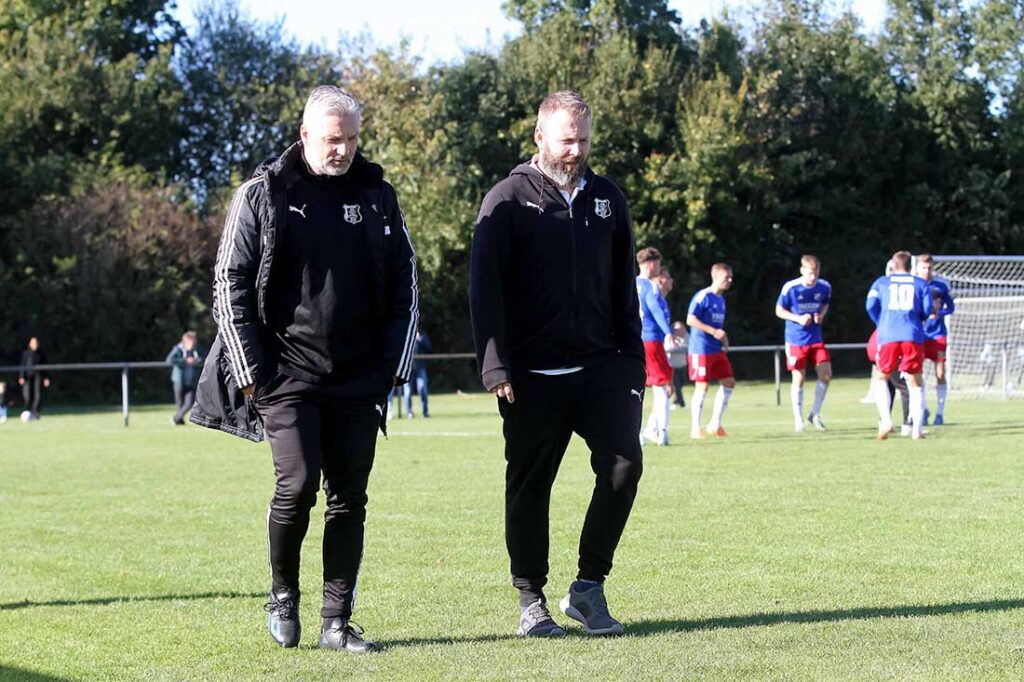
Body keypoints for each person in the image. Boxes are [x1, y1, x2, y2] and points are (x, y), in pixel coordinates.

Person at [190, 85, 419, 653]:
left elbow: (407, 282)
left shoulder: (376, 195)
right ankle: (283, 595)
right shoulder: (263, 194)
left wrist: (394, 366)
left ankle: (336, 623)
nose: (341, 150)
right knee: (296, 485)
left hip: (358, 376)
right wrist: (250, 369)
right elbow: (229, 281)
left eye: (350, 139)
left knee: (349, 497)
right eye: (331, 139)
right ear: (305, 136)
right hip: (284, 374)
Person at [470, 90, 645, 638]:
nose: (576, 150)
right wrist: (495, 365)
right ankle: (531, 600)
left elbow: (624, 286)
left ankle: (589, 588)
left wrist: (633, 360)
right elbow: (485, 290)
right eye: (567, 139)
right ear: (540, 136)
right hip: (530, 378)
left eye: (584, 140)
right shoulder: (506, 200)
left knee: (623, 468)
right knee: (530, 488)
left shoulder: (608, 199)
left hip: (603, 369)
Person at [865, 250, 933, 440]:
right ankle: (917, 430)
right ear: (911, 267)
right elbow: (927, 309)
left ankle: (886, 421)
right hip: (912, 334)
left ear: (893, 266)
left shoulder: (881, 282)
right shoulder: (920, 283)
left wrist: (881, 322)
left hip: (888, 335)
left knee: (881, 377)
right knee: (915, 381)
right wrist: (917, 319)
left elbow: (870, 305)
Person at [775, 254, 832, 433]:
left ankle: (814, 413)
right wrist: (797, 319)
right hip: (795, 340)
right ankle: (798, 420)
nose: (813, 276)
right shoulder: (791, 287)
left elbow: (825, 304)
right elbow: (778, 310)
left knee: (826, 374)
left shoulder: (824, 286)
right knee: (798, 379)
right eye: (809, 272)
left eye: (815, 272)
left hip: (815, 339)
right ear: (802, 271)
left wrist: (821, 315)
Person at [686, 263, 736, 439]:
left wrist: (723, 339)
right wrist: (713, 332)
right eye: (726, 277)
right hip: (701, 349)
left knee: (729, 382)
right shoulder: (703, 296)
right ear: (715, 277)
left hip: (716, 349)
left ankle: (715, 423)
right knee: (702, 386)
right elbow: (690, 319)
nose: (729, 280)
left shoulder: (721, 299)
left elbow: (718, 327)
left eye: (730, 277)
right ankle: (695, 428)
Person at [636, 247, 675, 446]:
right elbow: (655, 310)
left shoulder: (628, 283)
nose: (659, 268)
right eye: (658, 263)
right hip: (651, 339)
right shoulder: (651, 286)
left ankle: (640, 432)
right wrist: (668, 332)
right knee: (662, 386)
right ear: (651, 264)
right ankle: (662, 432)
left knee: (637, 387)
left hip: (632, 341)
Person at [915, 254, 955, 425]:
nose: (927, 270)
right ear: (917, 268)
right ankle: (922, 410)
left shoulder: (941, 285)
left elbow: (951, 306)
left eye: (929, 267)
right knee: (917, 373)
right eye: (923, 267)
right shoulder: (914, 284)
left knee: (940, 372)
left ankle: (940, 413)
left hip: (938, 334)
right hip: (919, 335)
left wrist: (940, 313)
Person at [165, 331, 205, 425]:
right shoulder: (178, 348)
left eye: (193, 341)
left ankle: (175, 418)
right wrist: (184, 361)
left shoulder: (197, 349)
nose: (192, 344)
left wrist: (196, 360)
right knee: (180, 404)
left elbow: (204, 357)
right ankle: (179, 420)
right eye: (190, 341)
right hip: (179, 381)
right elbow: (169, 360)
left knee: (190, 402)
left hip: (191, 381)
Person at [402, 331, 431, 418]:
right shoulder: (404, 333)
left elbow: (429, 347)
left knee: (422, 389)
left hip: (420, 368)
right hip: (407, 368)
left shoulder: (422, 335)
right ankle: (409, 412)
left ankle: (425, 412)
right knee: (408, 391)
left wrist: (420, 339)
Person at [19, 337, 49, 420]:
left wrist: (46, 378)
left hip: (38, 376)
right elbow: (23, 365)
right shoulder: (26, 353)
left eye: (36, 343)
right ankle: (26, 411)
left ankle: (35, 412)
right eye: (33, 343)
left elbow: (45, 366)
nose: (35, 345)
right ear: (30, 344)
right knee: (27, 395)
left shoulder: (41, 354)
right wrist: (21, 376)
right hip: (28, 377)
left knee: (38, 395)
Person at [668, 320, 688, 408]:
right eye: (676, 329)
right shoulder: (669, 337)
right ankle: (682, 403)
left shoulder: (687, 336)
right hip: (672, 365)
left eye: (681, 328)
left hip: (683, 365)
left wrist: (680, 347)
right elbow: (667, 348)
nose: (679, 331)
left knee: (681, 384)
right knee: (677, 385)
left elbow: (689, 347)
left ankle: (675, 401)